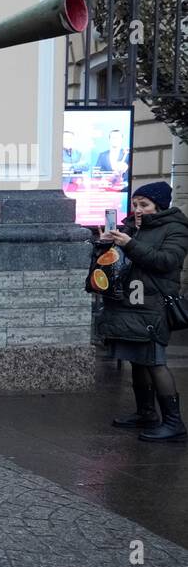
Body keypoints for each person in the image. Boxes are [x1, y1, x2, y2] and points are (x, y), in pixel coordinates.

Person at [98, 181, 188, 443]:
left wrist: (129, 244)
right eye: (135, 204)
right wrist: (105, 245)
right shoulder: (130, 227)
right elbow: (116, 264)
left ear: (158, 206)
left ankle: (174, 423)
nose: (137, 210)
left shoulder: (175, 228)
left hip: (153, 305)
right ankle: (145, 413)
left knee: (154, 361)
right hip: (130, 304)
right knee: (136, 358)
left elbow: (166, 261)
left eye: (144, 205)